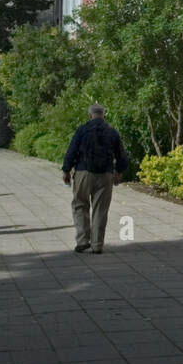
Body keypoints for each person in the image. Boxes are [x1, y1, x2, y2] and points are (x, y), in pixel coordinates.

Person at [62, 104, 128, 254]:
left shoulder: (82, 130)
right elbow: (122, 157)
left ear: (90, 116)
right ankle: (97, 244)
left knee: (80, 205)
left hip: (83, 172)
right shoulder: (112, 132)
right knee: (100, 209)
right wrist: (118, 172)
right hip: (105, 175)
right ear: (104, 116)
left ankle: (82, 240)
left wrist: (66, 170)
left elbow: (71, 151)